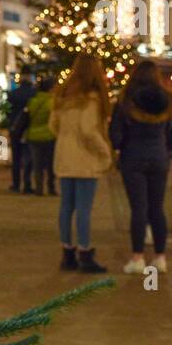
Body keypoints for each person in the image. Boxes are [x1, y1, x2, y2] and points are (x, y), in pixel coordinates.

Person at [109, 60, 172, 274]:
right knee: (157, 208)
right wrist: (167, 152)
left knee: (138, 209)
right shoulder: (168, 100)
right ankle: (160, 257)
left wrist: (120, 146)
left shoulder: (125, 101)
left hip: (133, 158)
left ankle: (137, 258)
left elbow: (116, 135)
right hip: (159, 157)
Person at [50, 55, 111, 273]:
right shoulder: (91, 99)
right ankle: (85, 252)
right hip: (85, 159)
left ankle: (67, 253)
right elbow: (88, 130)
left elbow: (53, 125)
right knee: (84, 209)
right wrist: (105, 154)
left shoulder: (63, 96)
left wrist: (65, 141)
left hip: (65, 157)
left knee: (66, 206)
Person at [24, 77, 57, 196]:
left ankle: (39, 188)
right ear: (50, 88)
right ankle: (51, 187)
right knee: (50, 164)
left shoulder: (32, 101)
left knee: (37, 164)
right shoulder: (52, 102)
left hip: (33, 136)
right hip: (49, 136)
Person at [3, 75, 36, 193]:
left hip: (15, 128)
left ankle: (16, 184)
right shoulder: (34, 93)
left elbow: (6, 110)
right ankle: (27, 184)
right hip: (29, 129)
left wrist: (11, 122)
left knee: (16, 157)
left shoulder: (13, 94)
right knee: (28, 157)